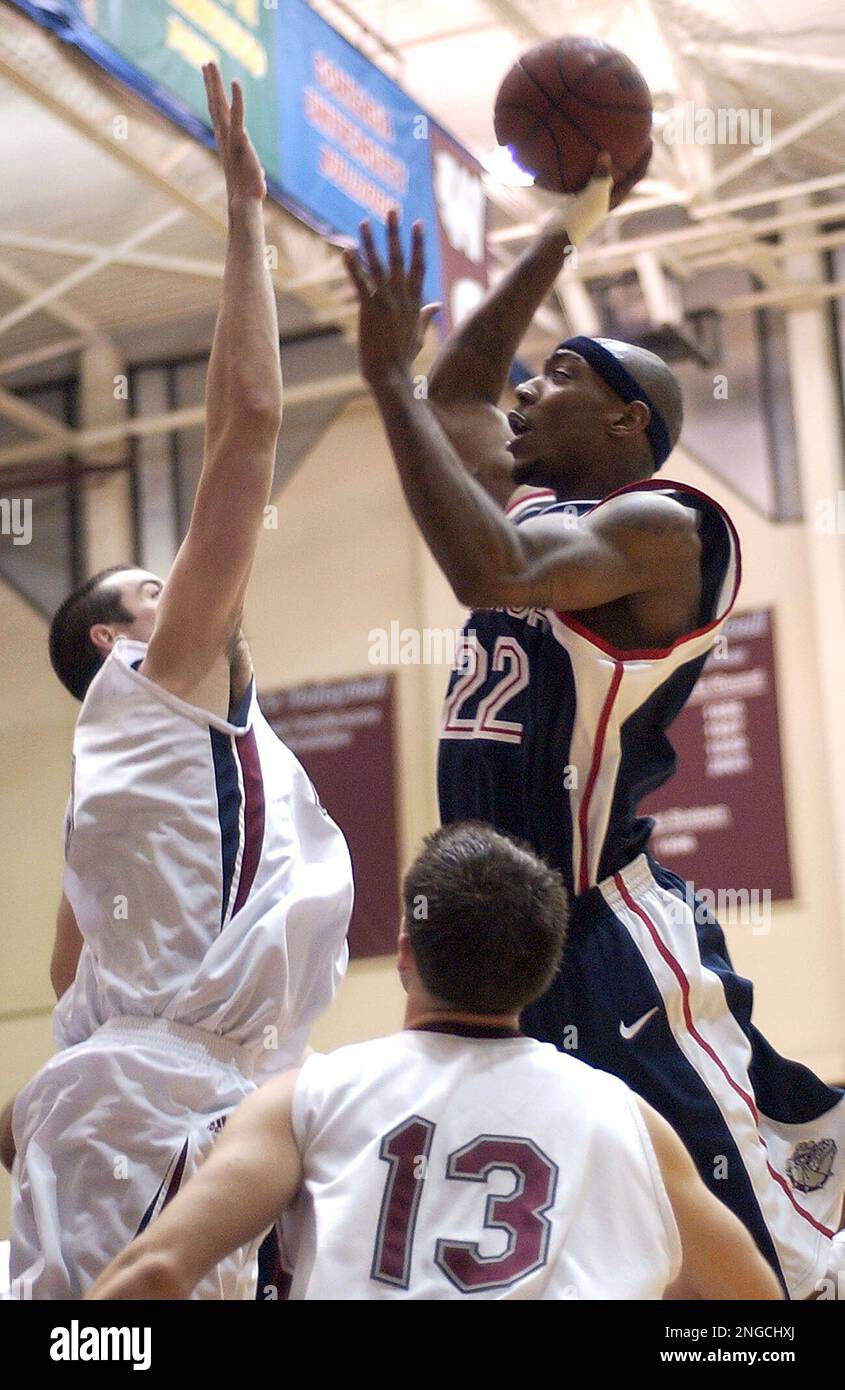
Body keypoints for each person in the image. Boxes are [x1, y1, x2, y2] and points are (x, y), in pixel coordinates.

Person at [339, 172, 844, 1300]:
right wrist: (564, 227)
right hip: (493, 935)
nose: (524, 390)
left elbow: (488, 569)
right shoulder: (529, 510)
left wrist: (381, 377)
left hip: (603, 925)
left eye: (559, 377)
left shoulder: (666, 530)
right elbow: (462, 385)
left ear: (629, 422)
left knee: (748, 1238)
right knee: (565, 1223)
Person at [1, 65, 352, 1300]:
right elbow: (247, 422)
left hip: (177, 1104)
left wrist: (66, 1086)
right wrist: (247, 215)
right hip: (159, 1114)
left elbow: (64, 970)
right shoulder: (162, 686)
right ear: (116, 644)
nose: (188, 589)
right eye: (154, 587)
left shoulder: (156, 754)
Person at [86, 823, 780, 1302]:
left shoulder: (304, 1099)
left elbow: (151, 1274)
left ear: (404, 955)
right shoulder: (630, 1122)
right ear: (542, 973)